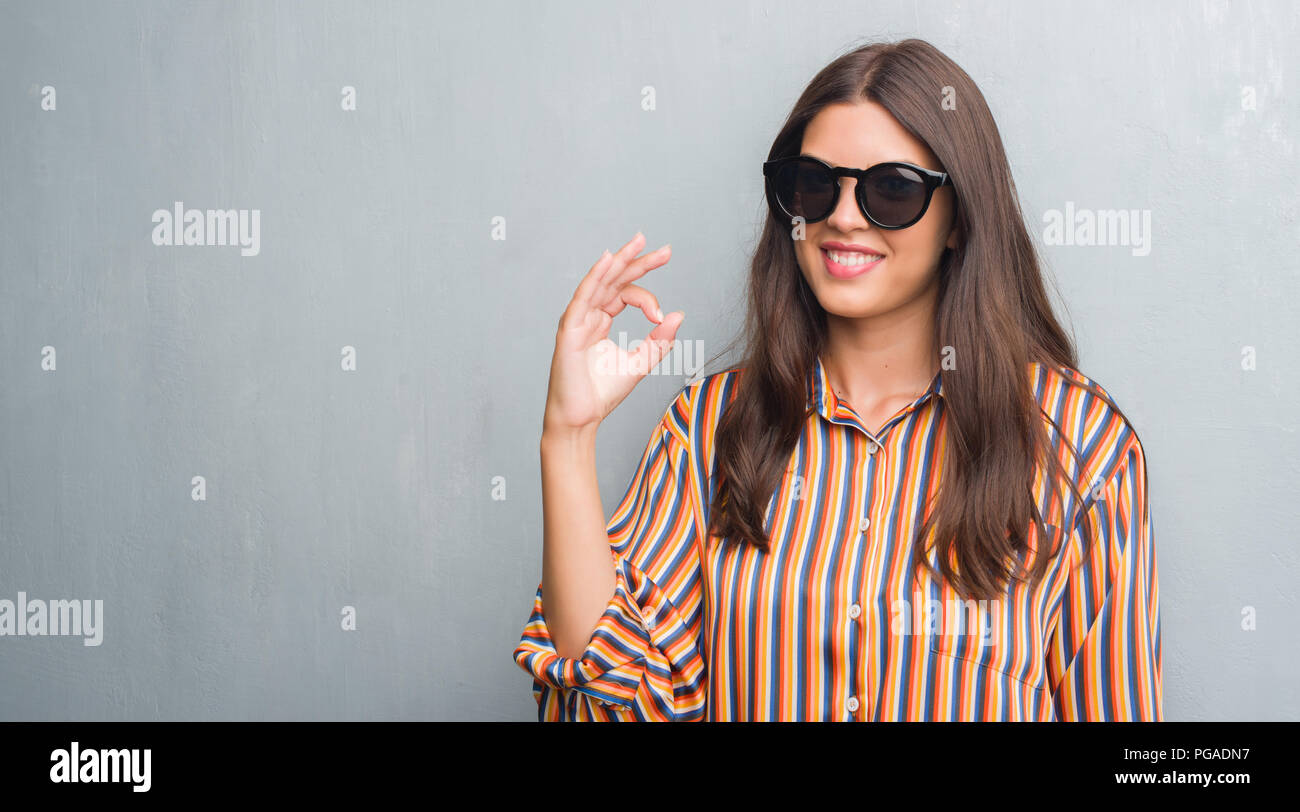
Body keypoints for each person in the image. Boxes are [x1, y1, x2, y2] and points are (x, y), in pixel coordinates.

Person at [513, 38, 1161, 721]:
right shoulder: (709, 428)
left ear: (958, 221)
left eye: (891, 189)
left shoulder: (1078, 442)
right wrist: (568, 436)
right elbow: (607, 698)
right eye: (815, 185)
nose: (843, 217)